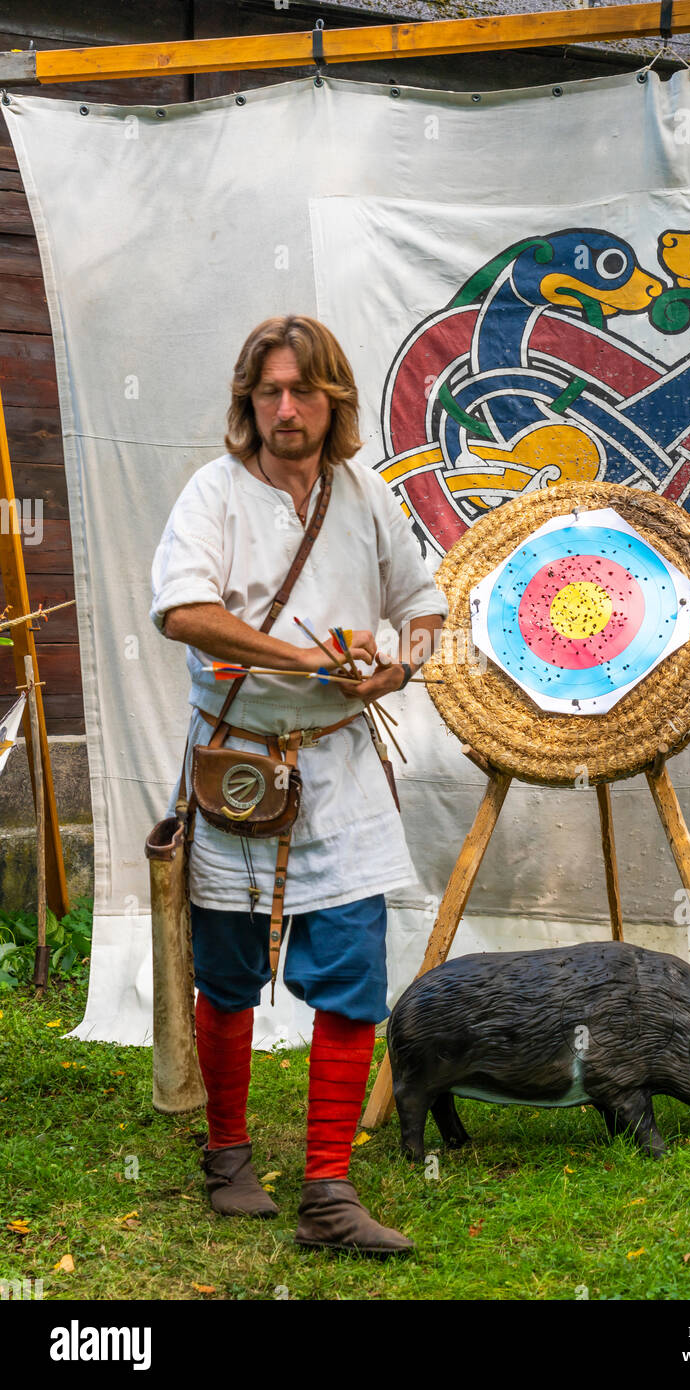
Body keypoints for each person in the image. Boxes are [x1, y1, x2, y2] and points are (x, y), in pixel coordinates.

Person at [150, 314, 448, 1254]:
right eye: (269, 392)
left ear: (333, 401)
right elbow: (182, 611)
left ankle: (328, 1193)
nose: (287, 408)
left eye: (304, 391)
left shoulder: (364, 498)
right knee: (229, 973)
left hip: (342, 764)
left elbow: (427, 611)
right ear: (249, 402)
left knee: (354, 976)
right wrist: (305, 658)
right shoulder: (214, 493)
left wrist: (393, 670)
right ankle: (228, 1156)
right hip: (235, 767)